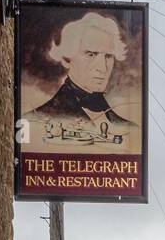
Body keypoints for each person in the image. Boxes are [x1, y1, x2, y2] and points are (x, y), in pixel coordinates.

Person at [26, 12, 139, 151]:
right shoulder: (35, 119)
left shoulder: (130, 128)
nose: (102, 68)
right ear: (67, 58)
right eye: (91, 54)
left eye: (108, 56)